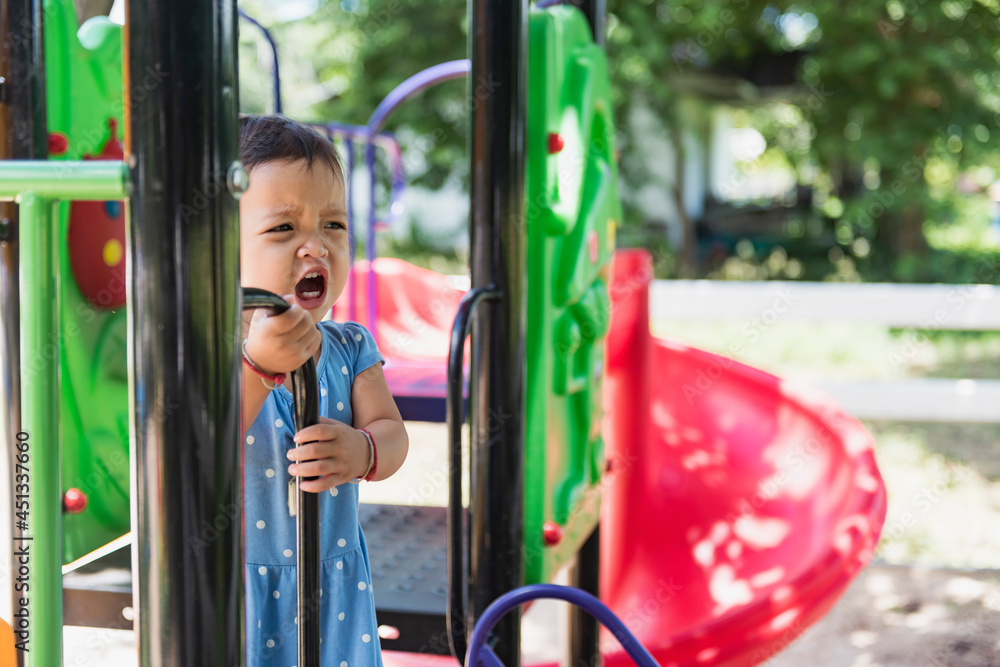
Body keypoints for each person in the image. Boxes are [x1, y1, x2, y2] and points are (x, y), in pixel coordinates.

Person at [238, 114, 408, 666]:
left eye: (333, 225)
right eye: (284, 229)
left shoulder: (349, 345)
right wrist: (259, 368)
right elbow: (194, 443)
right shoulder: (202, 350)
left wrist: (365, 450)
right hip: (236, 584)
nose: (316, 246)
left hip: (332, 580)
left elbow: (391, 431)